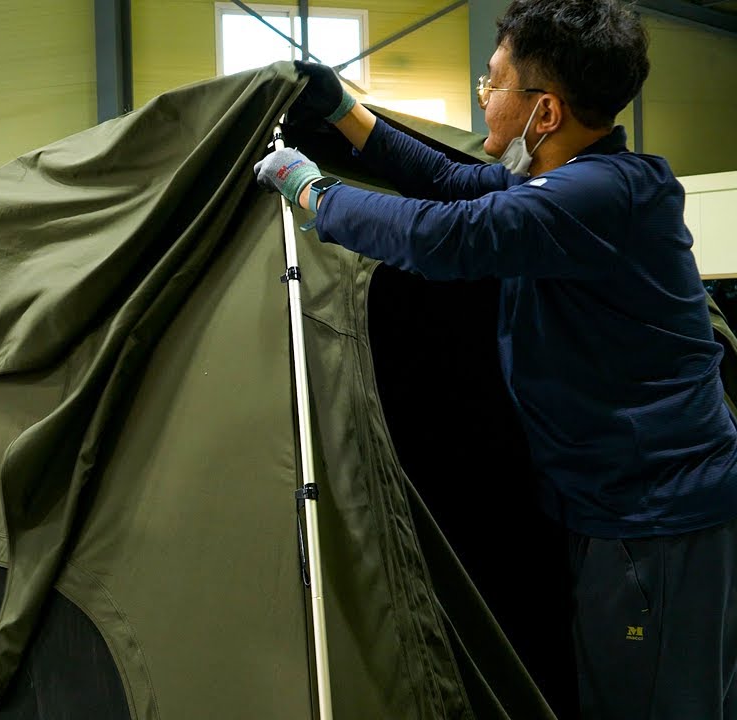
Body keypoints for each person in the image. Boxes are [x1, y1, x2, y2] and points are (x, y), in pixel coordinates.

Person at [254, 0, 737, 717]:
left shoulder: (598, 196)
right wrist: (346, 113)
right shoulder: (567, 179)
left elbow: (443, 236)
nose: (483, 96)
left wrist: (311, 192)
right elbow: (449, 183)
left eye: (492, 82)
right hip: (611, 504)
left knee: (655, 700)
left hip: (657, 517)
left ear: (543, 112)